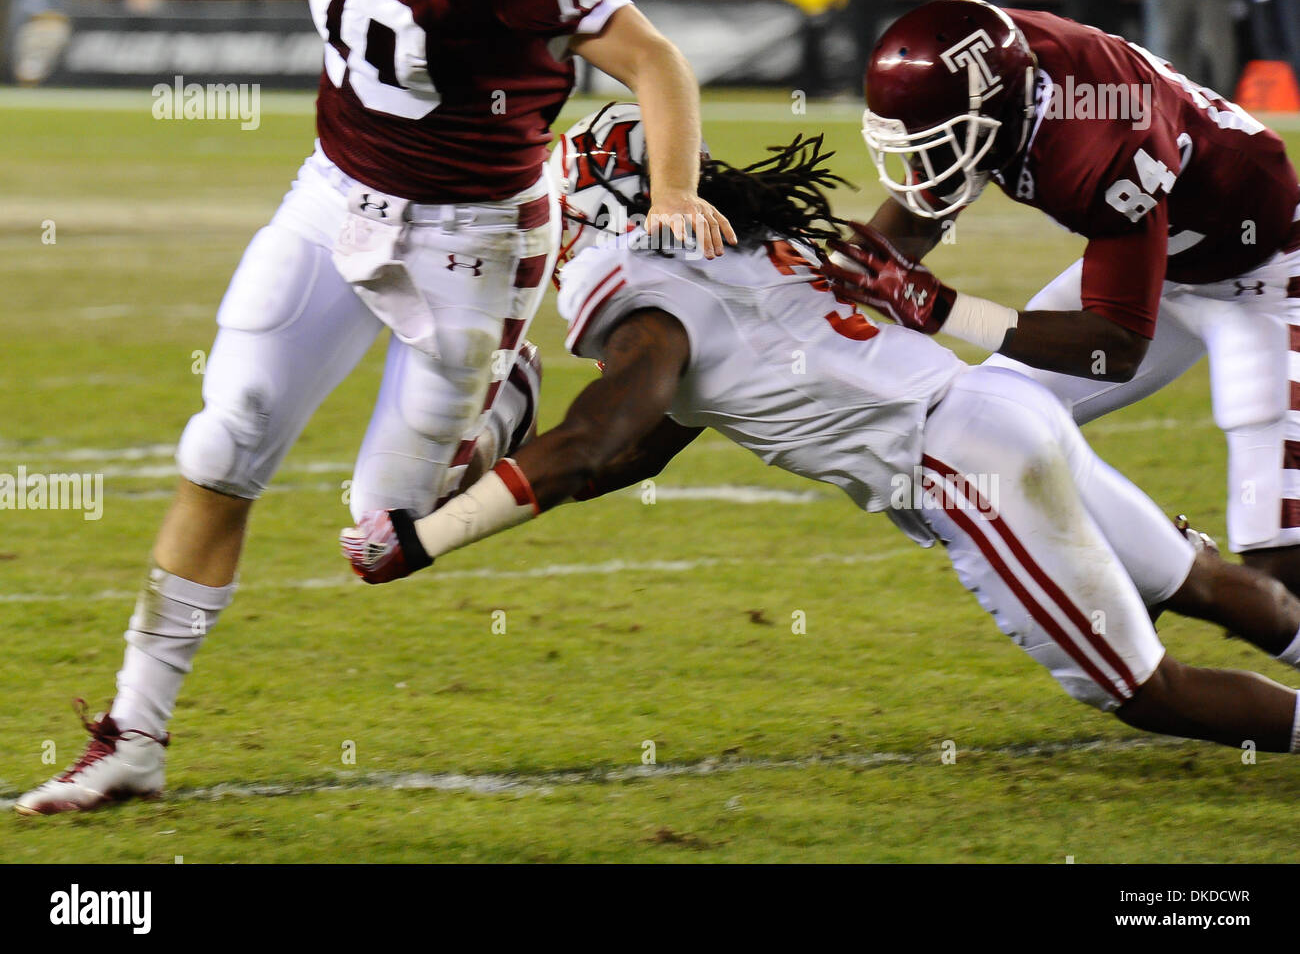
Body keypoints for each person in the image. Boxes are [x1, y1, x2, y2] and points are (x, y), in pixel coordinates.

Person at [14, 0, 736, 817]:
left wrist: (676, 191)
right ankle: (134, 736)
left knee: (382, 530)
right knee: (224, 439)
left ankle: (502, 407)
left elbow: (656, 61)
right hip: (333, 194)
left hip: (471, 238)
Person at [343, 104, 1300, 758]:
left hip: (963, 463)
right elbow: (642, 442)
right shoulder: (760, 239)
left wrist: (429, 536)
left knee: (1142, 690)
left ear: (595, 207)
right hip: (1003, 412)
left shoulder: (631, 276)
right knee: (1198, 581)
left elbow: (601, 435)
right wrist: (527, 469)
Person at [846, 0, 1300, 600]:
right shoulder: (1000, 62)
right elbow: (930, 194)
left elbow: (1113, 348)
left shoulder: (1103, 142)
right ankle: (1167, 558)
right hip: (1160, 257)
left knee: (1278, 581)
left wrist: (944, 308)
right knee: (983, 434)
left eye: (939, 142)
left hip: (1266, 280)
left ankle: (1182, 576)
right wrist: (844, 270)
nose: (924, 164)